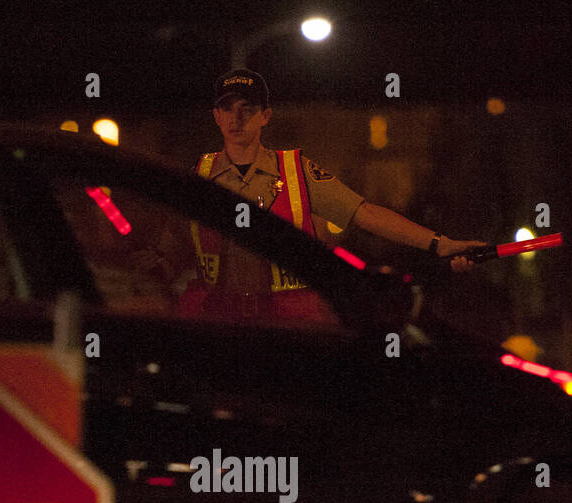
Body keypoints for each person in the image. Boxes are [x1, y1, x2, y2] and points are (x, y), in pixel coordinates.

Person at [176, 68, 486, 322]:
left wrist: (439, 244)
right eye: (228, 108)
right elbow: (167, 240)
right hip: (218, 324)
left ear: (265, 116)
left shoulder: (296, 171)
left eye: (248, 109)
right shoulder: (198, 175)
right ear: (216, 115)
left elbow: (366, 214)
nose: (237, 118)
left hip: (289, 330)